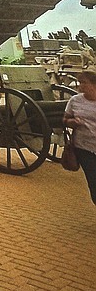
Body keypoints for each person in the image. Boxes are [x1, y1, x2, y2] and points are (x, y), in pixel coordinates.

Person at [63, 68, 96, 204]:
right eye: (79, 82)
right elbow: (65, 120)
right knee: (93, 182)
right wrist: (72, 122)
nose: (80, 86)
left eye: (84, 83)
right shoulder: (75, 101)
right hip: (84, 148)